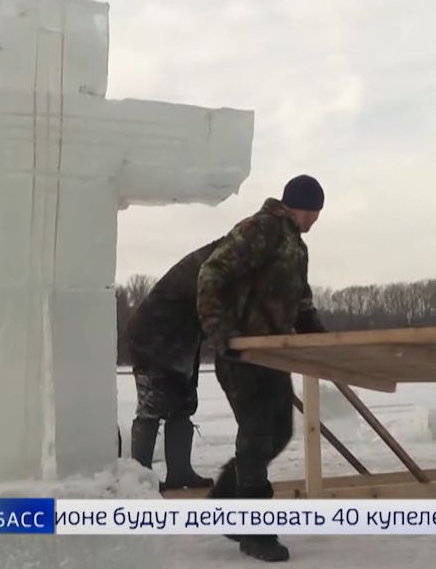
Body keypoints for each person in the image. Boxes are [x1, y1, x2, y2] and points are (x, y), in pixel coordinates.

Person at [197, 175, 327, 563]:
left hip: (273, 354)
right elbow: (211, 273)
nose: (317, 219)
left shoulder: (295, 246)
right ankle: (255, 531)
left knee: (279, 432)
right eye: (316, 211)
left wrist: (322, 343)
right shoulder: (261, 229)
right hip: (242, 353)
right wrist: (223, 333)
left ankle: (224, 504)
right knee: (255, 435)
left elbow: (300, 304)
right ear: (303, 206)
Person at [126, 238, 227, 492]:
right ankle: (140, 478)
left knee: (182, 404)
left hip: (180, 339)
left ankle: (180, 472)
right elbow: (214, 308)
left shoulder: (227, 259)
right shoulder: (218, 262)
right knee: (151, 405)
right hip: (152, 336)